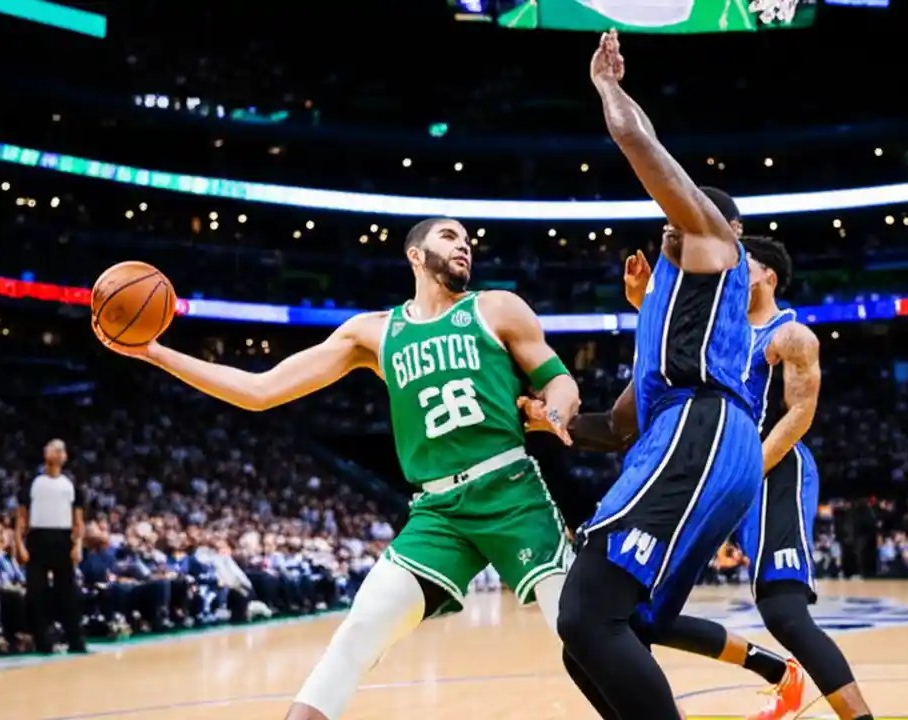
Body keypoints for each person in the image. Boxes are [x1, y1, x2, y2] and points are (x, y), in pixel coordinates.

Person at [93, 217, 581, 720]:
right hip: (438, 511)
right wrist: (156, 353)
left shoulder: (495, 307)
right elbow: (260, 390)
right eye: (449, 236)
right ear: (415, 255)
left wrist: (556, 409)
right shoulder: (373, 332)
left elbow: (558, 380)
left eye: (467, 240)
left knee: (581, 633)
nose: (464, 246)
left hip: (509, 490)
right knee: (356, 635)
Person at [551, 29, 764, 720]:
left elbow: (638, 145)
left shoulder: (715, 245)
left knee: (587, 614)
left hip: (703, 428)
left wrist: (608, 86)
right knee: (596, 634)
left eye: (690, 207)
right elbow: (617, 427)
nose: (673, 221)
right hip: (691, 437)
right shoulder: (667, 311)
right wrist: (547, 420)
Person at [576, 236, 873, 720]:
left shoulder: (788, 333)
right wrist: (645, 304)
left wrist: (750, 466)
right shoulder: (720, 333)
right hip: (715, 474)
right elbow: (669, 355)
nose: (731, 270)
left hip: (772, 468)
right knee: (640, 615)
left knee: (784, 612)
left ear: (768, 277)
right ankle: (776, 671)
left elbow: (800, 413)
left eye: (744, 265)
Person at [14, 439, 87, 654]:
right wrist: (19, 544)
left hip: (63, 539)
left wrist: (78, 545)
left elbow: (78, 521)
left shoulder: (71, 485)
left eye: (60, 450)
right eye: (51, 448)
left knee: (67, 592)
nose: (55, 452)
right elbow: (21, 518)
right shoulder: (33, 482)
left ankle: (75, 641)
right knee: (37, 593)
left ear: (64, 457)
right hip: (37, 538)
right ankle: (43, 642)